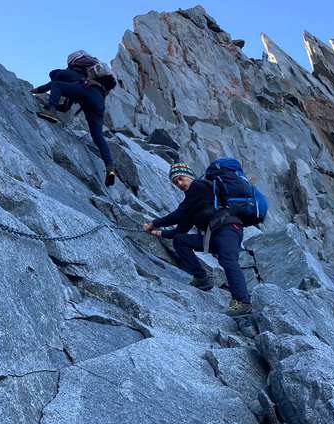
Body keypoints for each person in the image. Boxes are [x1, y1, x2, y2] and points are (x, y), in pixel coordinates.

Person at [143, 162, 253, 317]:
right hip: (214, 235)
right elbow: (181, 229)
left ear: (189, 176)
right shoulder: (194, 204)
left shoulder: (199, 186)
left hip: (228, 228)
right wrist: (159, 233)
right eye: (175, 182)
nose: (179, 184)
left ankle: (243, 302)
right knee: (181, 240)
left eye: (180, 178)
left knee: (228, 261)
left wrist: (154, 223)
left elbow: (178, 214)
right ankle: (201, 278)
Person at [32, 50, 117, 187]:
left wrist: (35, 91)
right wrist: (49, 103)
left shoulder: (64, 74)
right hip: (98, 101)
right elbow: (66, 107)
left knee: (56, 85)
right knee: (98, 137)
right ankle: (110, 168)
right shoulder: (83, 79)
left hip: (86, 93)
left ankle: (50, 113)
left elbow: (53, 85)